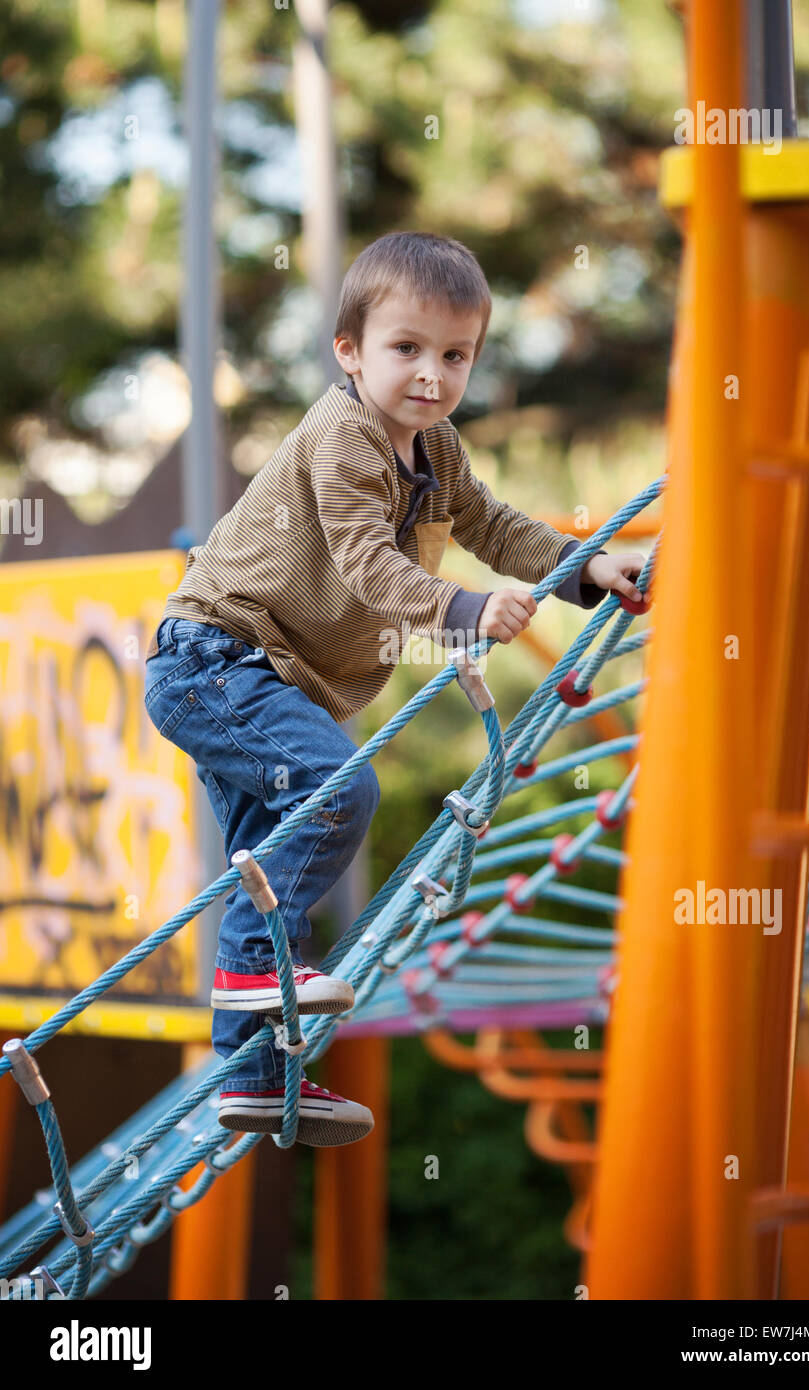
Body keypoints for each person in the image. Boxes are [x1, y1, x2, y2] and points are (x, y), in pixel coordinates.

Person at [143, 230, 645, 1142]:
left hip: (272, 679)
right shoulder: (340, 439)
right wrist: (461, 610)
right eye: (405, 349)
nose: (431, 375)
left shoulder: (436, 447)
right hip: (216, 659)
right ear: (350, 351)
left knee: (266, 858)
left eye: (455, 355)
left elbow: (491, 524)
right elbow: (369, 564)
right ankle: (262, 978)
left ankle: (248, 1076)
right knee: (340, 792)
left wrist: (586, 569)